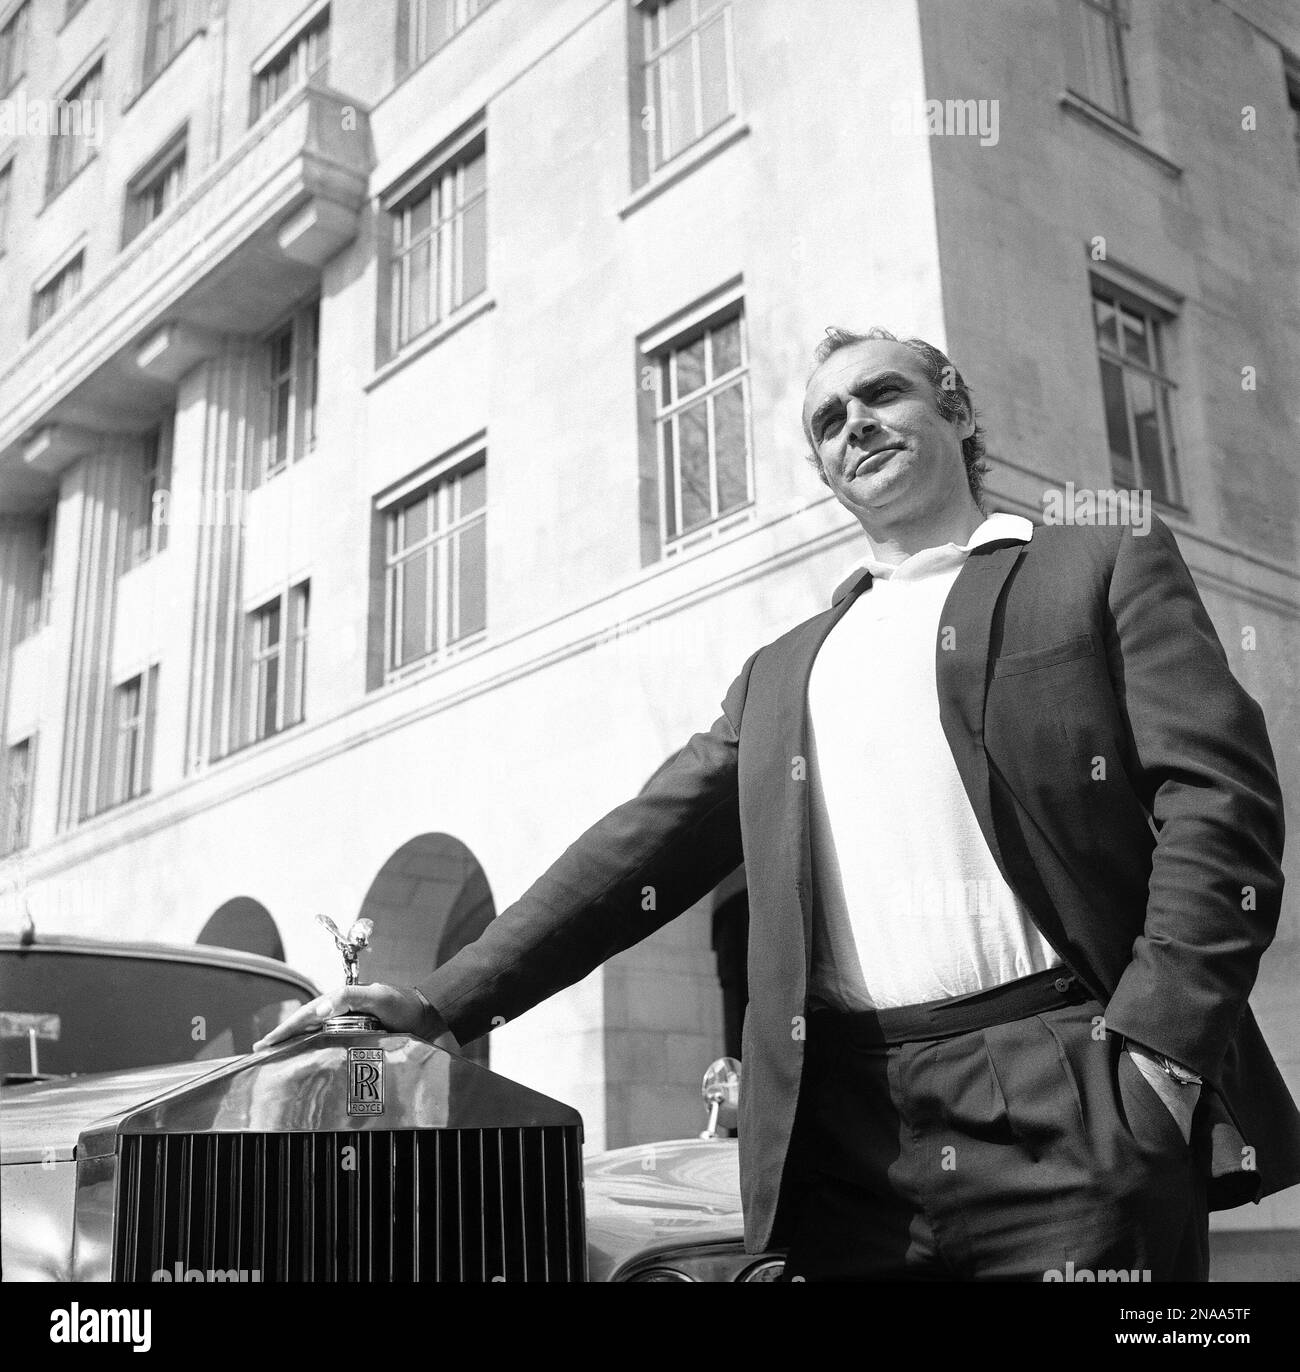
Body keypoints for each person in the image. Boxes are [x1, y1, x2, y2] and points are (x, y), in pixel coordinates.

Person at [256, 327, 1300, 1280]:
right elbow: (639, 850)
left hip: (1069, 1093)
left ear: (958, 410)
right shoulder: (783, 670)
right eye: (827, 423)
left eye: (881, 395)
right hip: (846, 1137)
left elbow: (1220, 805)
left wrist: (1158, 1055)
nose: (855, 427)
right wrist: (441, 1000)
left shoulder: (1094, 565)